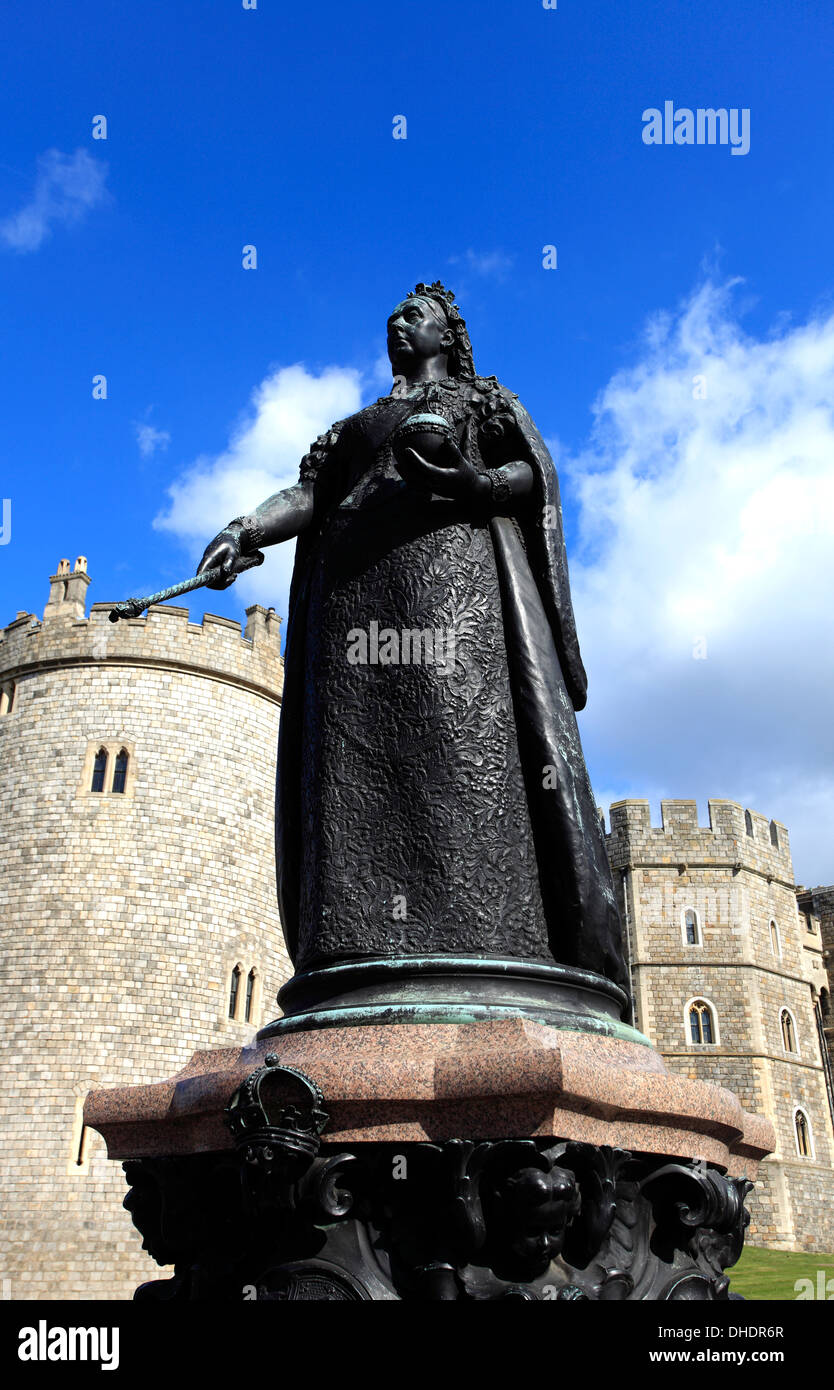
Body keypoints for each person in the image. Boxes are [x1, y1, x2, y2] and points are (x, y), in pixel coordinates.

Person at [198, 282, 628, 999]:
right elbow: (309, 498)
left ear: (448, 338)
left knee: (465, 759)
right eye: (393, 316)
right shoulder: (352, 427)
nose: (399, 324)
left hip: (456, 601)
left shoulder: (479, 402)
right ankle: (358, 950)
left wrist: (476, 481)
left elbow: (531, 478)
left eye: (415, 316)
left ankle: (490, 940)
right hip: (355, 615)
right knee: (359, 771)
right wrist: (242, 531)